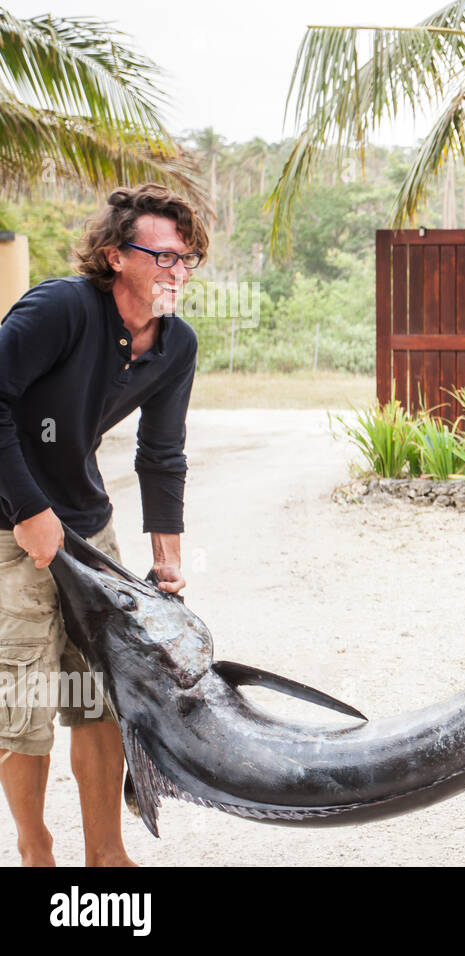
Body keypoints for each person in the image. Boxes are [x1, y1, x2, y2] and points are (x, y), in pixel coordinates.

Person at [0, 183, 206, 866]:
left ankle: (107, 854)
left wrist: (167, 556)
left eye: (187, 260)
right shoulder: (62, 308)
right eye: (163, 257)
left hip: (88, 528)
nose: (177, 272)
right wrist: (29, 513)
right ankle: (34, 846)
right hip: (8, 525)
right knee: (25, 698)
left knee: (102, 694)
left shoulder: (174, 345)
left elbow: (162, 451)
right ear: (117, 256)